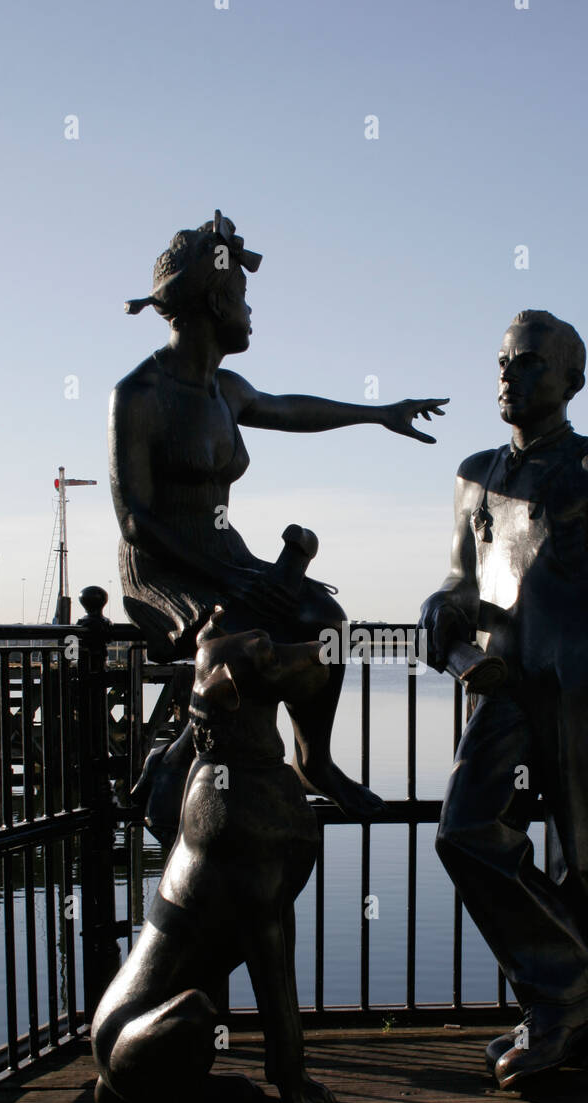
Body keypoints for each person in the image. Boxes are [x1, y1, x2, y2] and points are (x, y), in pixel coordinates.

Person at [420, 309, 588, 1086]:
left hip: (581, 679)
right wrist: (441, 608)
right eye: (505, 360)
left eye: (531, 362)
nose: (510, 373)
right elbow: (462, 582)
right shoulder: (475, 474)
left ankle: (563, 1013)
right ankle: (569, 996)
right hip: (503, 679)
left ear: (572, 379)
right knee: (465, 830)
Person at [111, 211, 447, 818]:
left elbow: (291, 409)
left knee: (323, 617)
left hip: (223, 557)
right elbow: (135, 519)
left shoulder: (227, 390)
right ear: (215, 302)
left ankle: (312, 760)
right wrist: (235, 580)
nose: (249, 311)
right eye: (241, 297)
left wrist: (379, 413)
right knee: (243, 631)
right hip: (163, 565)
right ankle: (180, 759)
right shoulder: (138, 395)